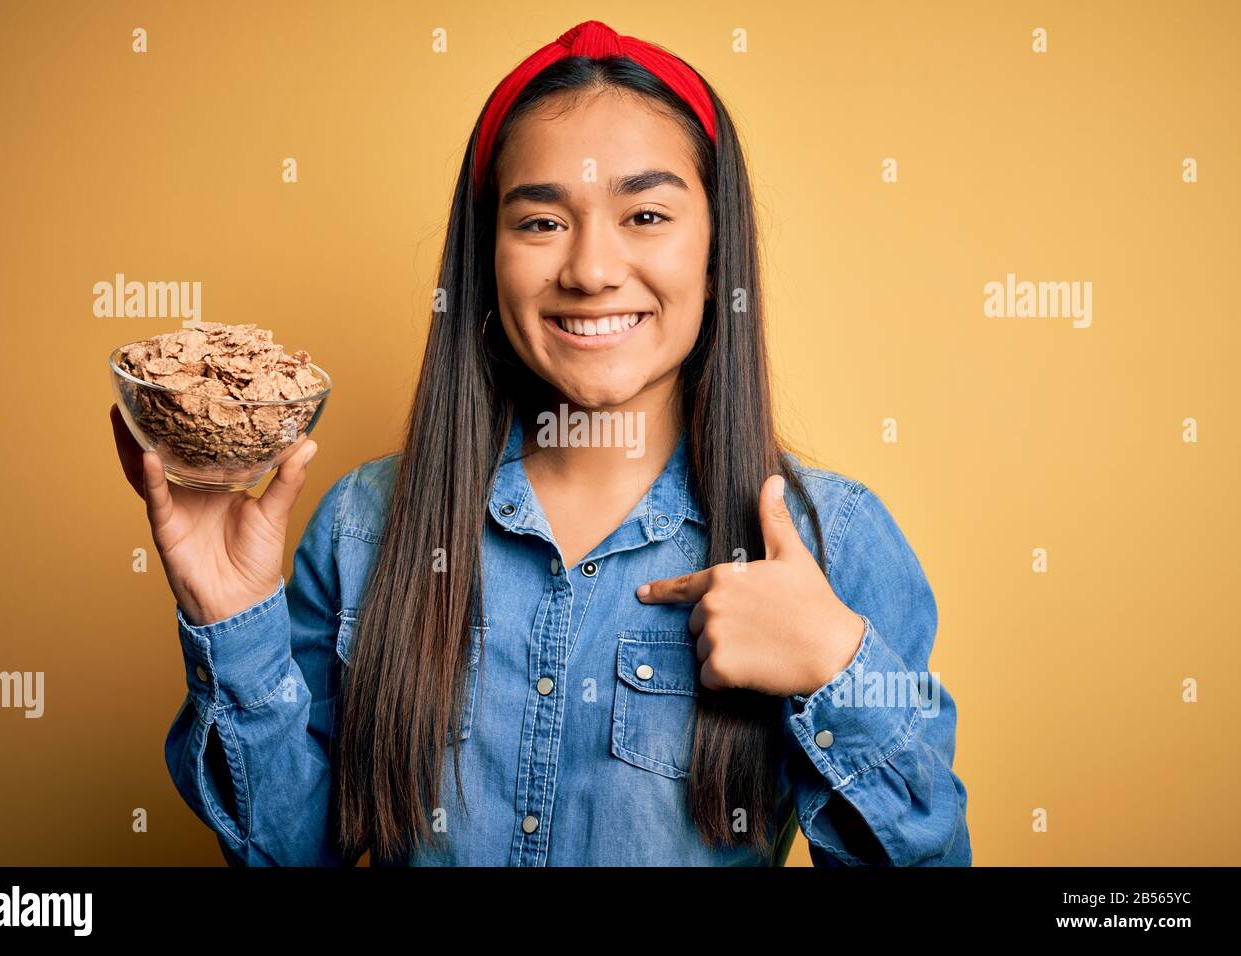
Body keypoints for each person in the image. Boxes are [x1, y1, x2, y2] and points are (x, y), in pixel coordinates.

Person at [111, 19, 971, 867]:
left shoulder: (834, 546)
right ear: (487, 260)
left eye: (645, 213)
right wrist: (232, 623)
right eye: (541, 223)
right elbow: (289, 857)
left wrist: (835, 666)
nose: (591, 269)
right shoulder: (359, 529)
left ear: (715, 256)